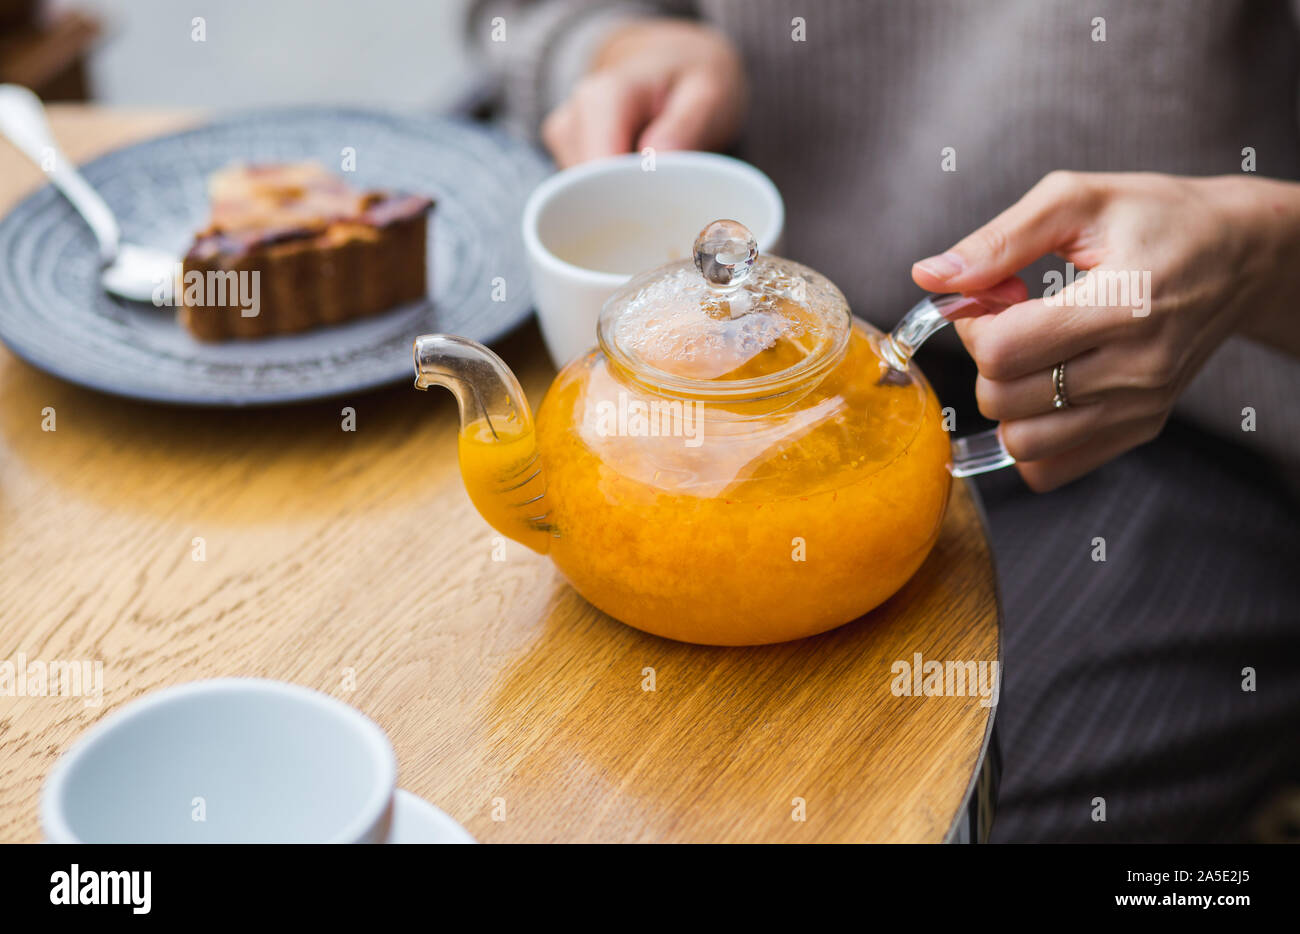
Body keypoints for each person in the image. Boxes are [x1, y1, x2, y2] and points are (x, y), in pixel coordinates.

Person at [468, 0, 1300, 841]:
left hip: (1201, 427)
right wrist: (621, 38)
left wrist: (1255, 256)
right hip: (811, 356)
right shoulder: (618, 376)